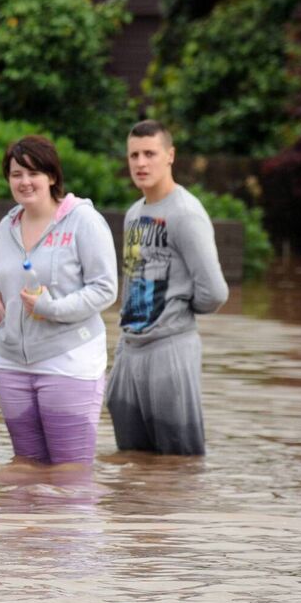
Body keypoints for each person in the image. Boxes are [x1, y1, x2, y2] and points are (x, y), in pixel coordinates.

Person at [0, 136, 117, 466]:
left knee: (70, 474)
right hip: (12, 362)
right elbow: (0, 274)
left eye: (33, 173)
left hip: (69, 359)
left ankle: (69, 523)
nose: (25, 182)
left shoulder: (84, 221)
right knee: (25, 469)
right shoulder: (7, 225)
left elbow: (105, 288)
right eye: (16, 174)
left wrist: (51, 309)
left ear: (52, 176)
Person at [106, 120, 229, 455]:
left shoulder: (186, 214)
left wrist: (177, 312)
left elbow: (215, 291)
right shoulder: (133, 214)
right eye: (134, 155)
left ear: (170, 155)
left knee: (179, 461)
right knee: (131, 459)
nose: (141, 163)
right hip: (130, 348)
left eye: (150, 153)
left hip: (170, 348)